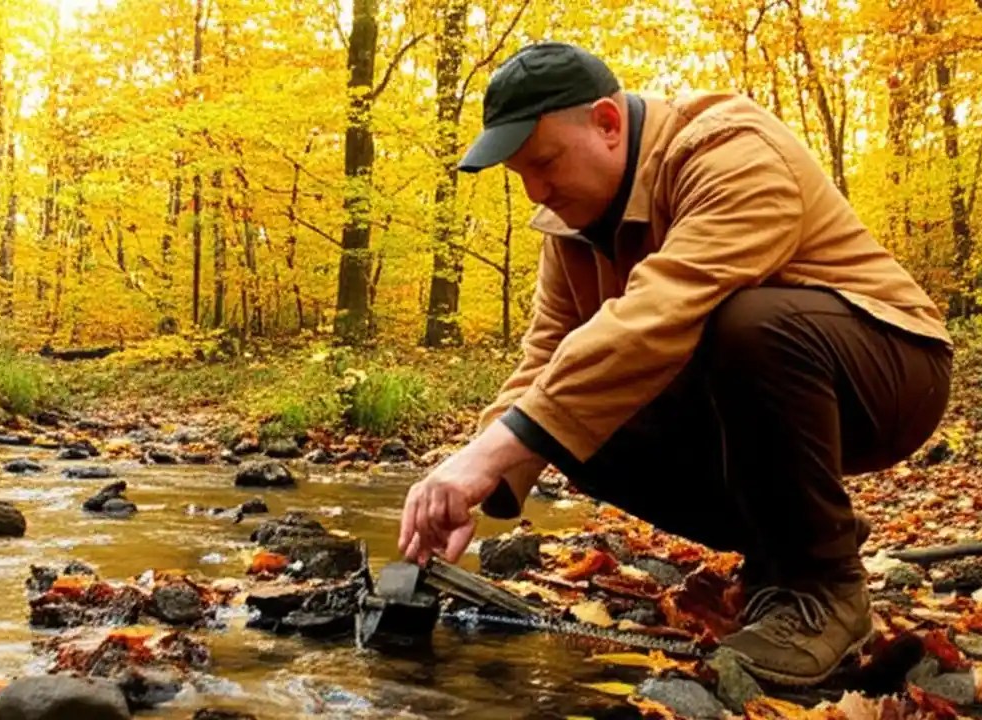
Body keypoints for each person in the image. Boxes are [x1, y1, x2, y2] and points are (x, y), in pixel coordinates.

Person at [397, 41, 952, 687]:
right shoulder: (568, 224)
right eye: (519, 174)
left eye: (544, 162)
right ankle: (797, 541)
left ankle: (824, 589)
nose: (534, 193)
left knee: (746, 322)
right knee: (572, 421)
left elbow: (667, 305)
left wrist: (492, 452)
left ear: (607, 123)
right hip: (745, 393)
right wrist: (470, 479)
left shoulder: (728, 148)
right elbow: (546, 361)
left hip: (889, 373)